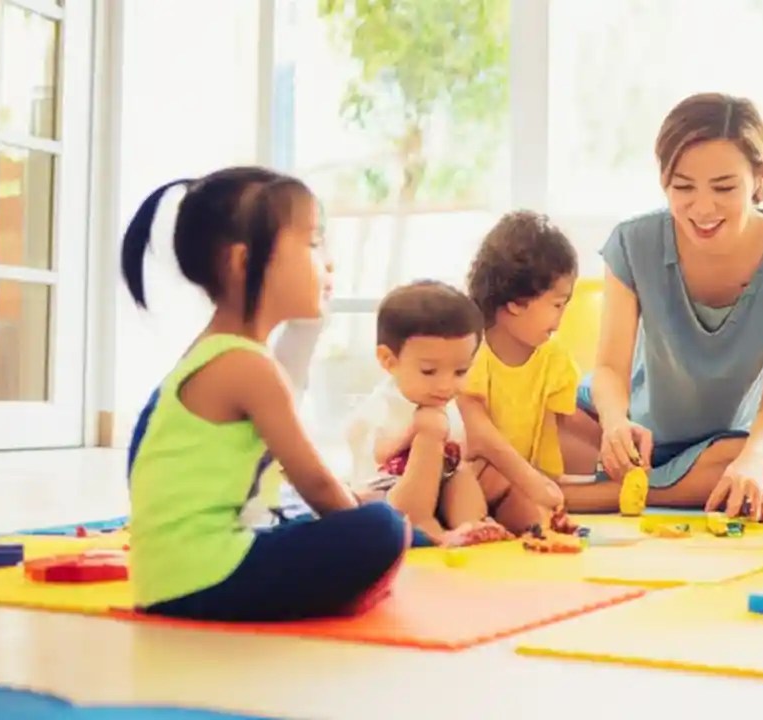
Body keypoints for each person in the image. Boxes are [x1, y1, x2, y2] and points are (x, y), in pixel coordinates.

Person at [123, 166, 408, 622]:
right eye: (313, 244)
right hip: (209, 575)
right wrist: (373, 529)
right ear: (241, 263)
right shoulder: (249, 367)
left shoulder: (212, 353)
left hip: (168, 578)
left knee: (360, 513)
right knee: (382, 526)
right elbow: (315, 483)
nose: (327, 262)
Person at [561, 92, 763, 520]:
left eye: (724, 187)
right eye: (683, 187)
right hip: (626, 434)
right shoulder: (634, 242)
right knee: (545, 418)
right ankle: (637, 482)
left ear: (758, 178)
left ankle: (593, 496)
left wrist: (754, 459)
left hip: (720, 447)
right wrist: (613, 424)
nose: (702, 208)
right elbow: (610, 366)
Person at [345, 280, 497, 540]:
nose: (445, 385)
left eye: (460, 371)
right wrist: (418, 431)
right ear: (389, 360)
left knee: (459, 472)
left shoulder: (444, 404)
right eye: (429, 371)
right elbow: (379, 454)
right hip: (387, 494)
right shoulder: (383, 405)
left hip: (436, 487)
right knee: (431, 431)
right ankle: (426, 527)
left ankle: (471, 523)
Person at [459, 211, 579, 533]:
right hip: (470, 473)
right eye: (557, 304)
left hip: (519, 481)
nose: (561, 317)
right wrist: (532, 481)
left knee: (538, 518)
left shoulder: (553, 358)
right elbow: (479, 436)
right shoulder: (470, 351)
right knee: (475, 476)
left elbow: (560, 436)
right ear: (517, 301)